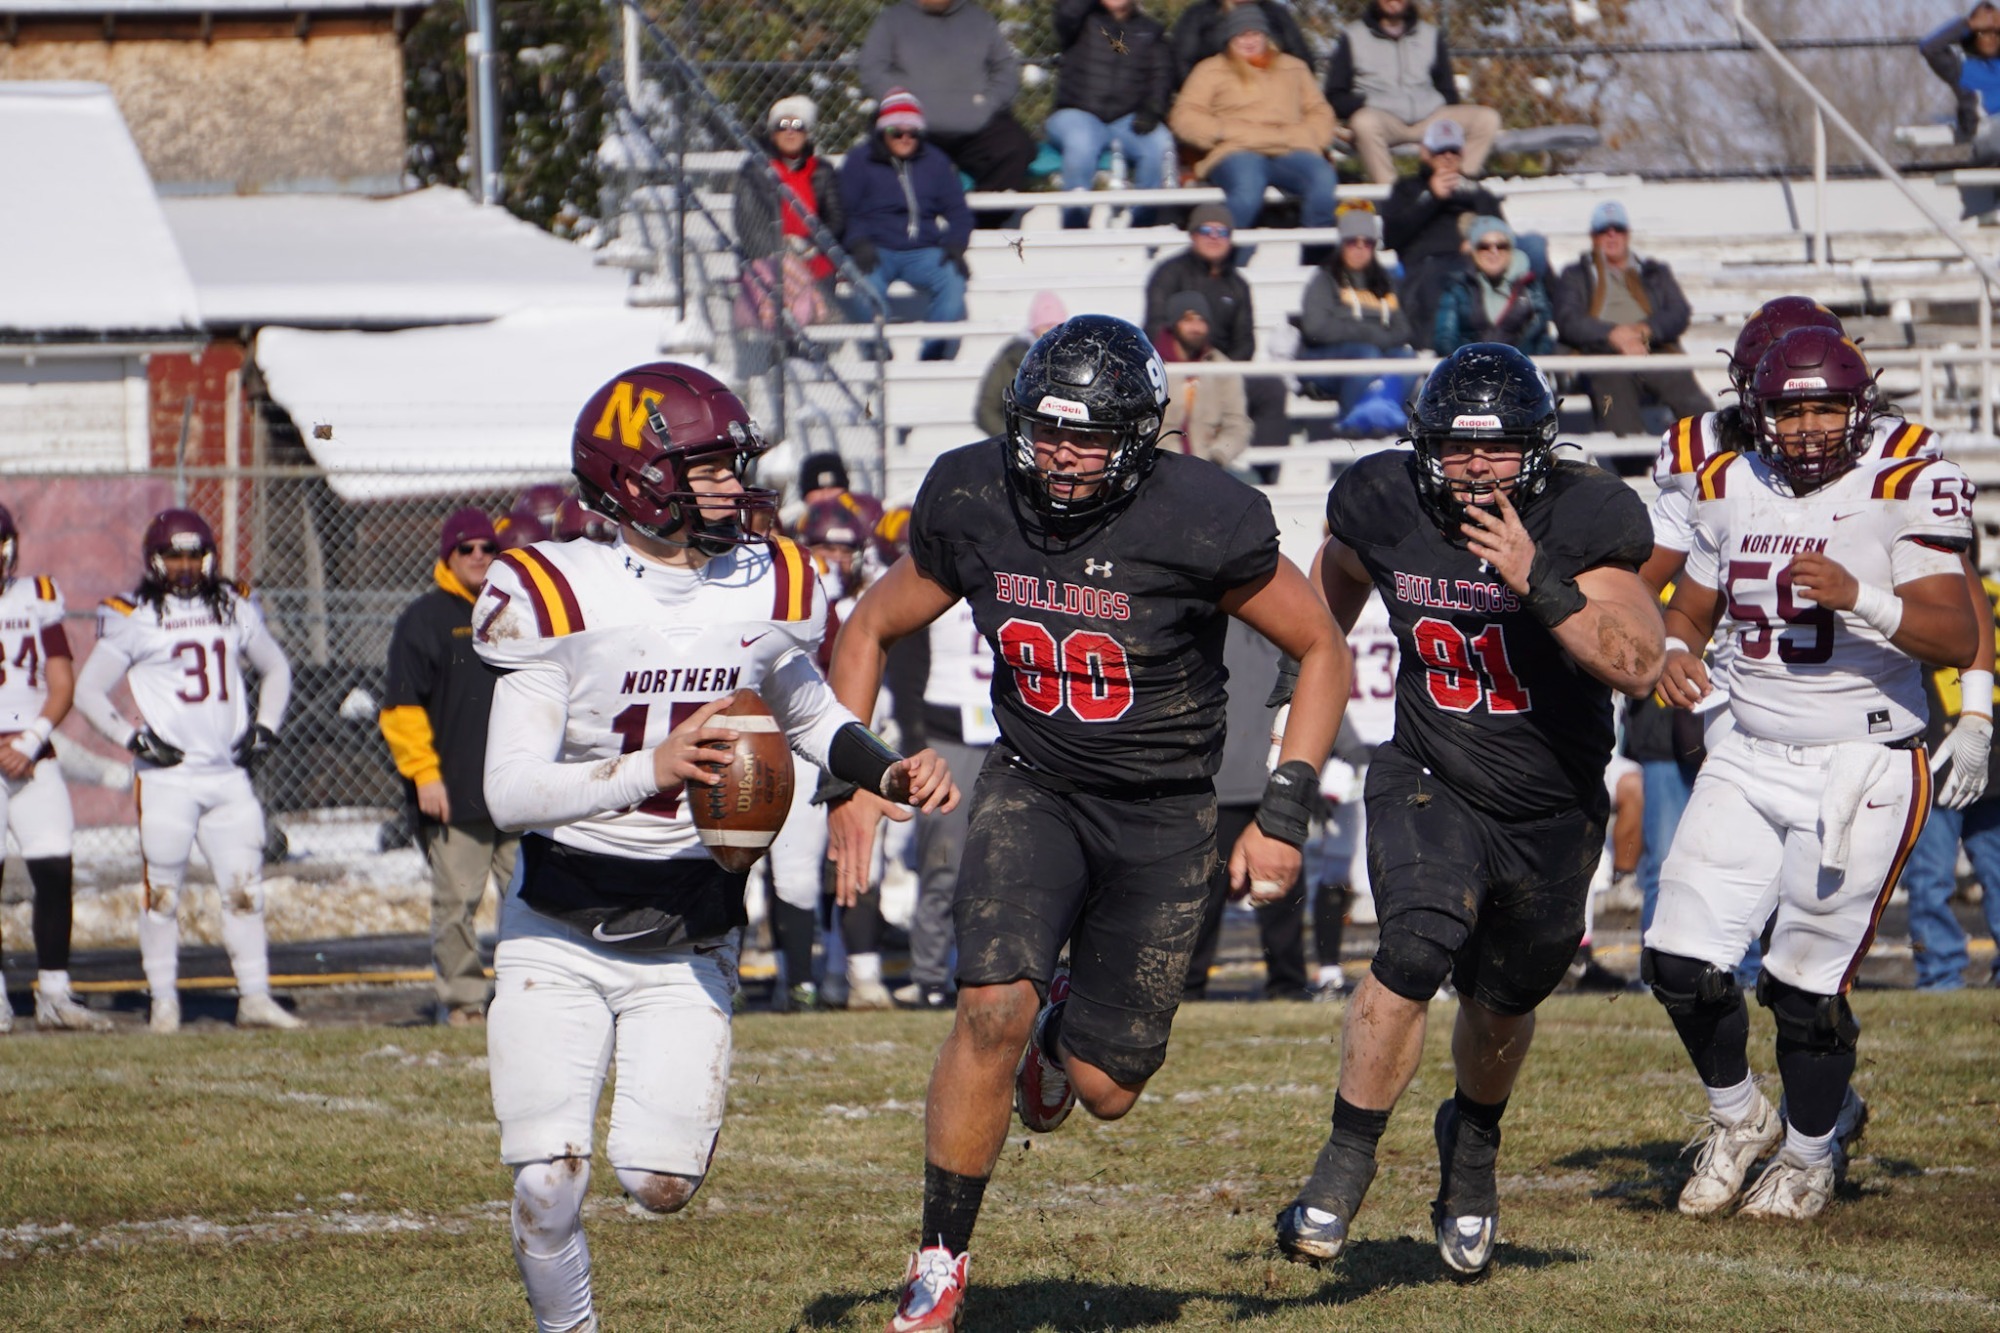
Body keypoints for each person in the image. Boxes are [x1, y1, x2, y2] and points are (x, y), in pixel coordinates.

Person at [825, 314, 1349, 1331]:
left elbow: (1319, 646)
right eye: (1046, 430)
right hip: (1035, 784)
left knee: (1104, 1089)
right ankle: (938, 1260)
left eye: (1089, 435)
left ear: (1140, 437)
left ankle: (1058, 1033)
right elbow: (870, 624)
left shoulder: (1199, 514)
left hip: (1164, 812)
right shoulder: (976, 493)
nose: (1060, 455)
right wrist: (850, 777)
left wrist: (1280, 808)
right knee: (986, 1004)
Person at [472, 361, 957, 1333]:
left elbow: (807, 709)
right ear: (636, 476)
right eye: (707, 467)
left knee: (657, 1184)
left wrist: (880, 768)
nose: (735, 484)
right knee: (546, 1180)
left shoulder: (770, 579)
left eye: (734, 464)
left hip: (692, 919)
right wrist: (654, 766)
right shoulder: (552, 587)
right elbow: (508, 791)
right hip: (557, 920)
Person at [1275, 343, 1662, 1276]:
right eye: (1454, 449)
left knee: (1503, 1000)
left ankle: (1473, 1146)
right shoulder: (1385, 498)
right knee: (1411, 949)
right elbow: (1338, 574)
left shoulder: (1587, 514)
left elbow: (1639, 661)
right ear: (1423, 446)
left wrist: (1538, 578)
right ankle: (1344, 1162)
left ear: (1539, 447)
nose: (1476, 468)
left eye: (1496, 450)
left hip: (1550, 802)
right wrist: (1304, 658)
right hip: (1429, 770)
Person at [1645, 328, 1980, 1221]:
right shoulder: (1724, 480)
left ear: (1858, 407)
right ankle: (1740, 1116)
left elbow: (1958, 631)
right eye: (1789, 409)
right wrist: (1675, 645)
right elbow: (1694, 597)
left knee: (1802, 986)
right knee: (1676, 958)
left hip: (1862, 760)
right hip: (1748, 748)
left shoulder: (1900, 478)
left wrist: (1860, 596)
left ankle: (1810, 1149)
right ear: (1757, 410)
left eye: (1825, 406)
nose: (1807, 428)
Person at [73, 510, 300, 1034]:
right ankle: (164, 1001)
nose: (184, 565)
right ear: (155, 559)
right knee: (162, 894)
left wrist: (265, 726)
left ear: (209, 556)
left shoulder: (232, 604)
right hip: (167, 778)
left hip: (226, 775)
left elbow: (277, 667)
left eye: (194, 554)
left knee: (245, 890)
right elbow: (88, 690)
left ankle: (255, 996)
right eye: (174, 555)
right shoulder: (134, 615)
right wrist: (131, 738)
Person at [379, 508, 519, 1026]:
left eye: (488, 547)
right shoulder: (426, 619)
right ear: (448, 557)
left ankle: (527, 994)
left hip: (518, 788)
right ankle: (464, 1002)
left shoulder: (514, 611)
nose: (480, 556)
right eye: (467, 549)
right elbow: (401, 707)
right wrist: (424, 774)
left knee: (532, 901)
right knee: (457, 905)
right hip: (456, 790)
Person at [0, 506, 105, 1032]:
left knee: (55, 870)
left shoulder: (36, 596)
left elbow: (61, 681)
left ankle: (55, 994)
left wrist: (32, 738)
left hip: (32, 751)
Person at [1183, 617, 1315, 1000]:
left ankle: (1288, 984)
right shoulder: (1204, 626)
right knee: (1205, 898)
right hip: (1219, 782)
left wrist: (1345, 749)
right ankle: (1189, 986)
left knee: (1278, 893)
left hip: (1272, 780)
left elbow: (1313, 690)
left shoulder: (1289, 630)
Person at [1904, 575, 2000, 990]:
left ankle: (1940, 973)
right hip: (1989, 756)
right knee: (1989, 872)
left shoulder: (1928, 599)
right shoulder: (1991, 596)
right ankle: (1940, 972)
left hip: (1941, 755)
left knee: (1931, 878)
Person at [1169, 6, 1339, 233]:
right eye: (1241, 34)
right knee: (1247, 189)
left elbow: (1319, 110)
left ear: (1266, 35)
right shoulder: (1210, 69)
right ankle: (1224, 257)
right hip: (1236, 149)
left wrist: (1310, 136)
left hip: (1289, 147)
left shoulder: (1294, 67)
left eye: (1255, 33)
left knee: (1323, 179)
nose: (1249, 40)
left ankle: (1314, 256)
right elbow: (1185, 114)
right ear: (1230, 37)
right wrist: (1219, 132)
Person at [839, 90, 975, 362]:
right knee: (866, 289)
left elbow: (958, 211)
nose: (905, 138)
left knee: (952, 281)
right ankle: (877, 352)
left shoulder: (934, 161)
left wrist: (956, 243)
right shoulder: (859, 161)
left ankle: (934, 351)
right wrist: (858, 242)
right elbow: (844, 210)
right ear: (882, 131)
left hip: (923, 249)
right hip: (876, 250)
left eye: (912, 132)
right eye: (896, 131)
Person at [1552, 201, 1709, 436]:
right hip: (1601, 355)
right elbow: (1568, 319)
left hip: (1653, 349)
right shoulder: (1575, 275)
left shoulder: (1654, 272)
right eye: (1604, 230)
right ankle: (1632, 466)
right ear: (1593, 237)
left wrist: (1645, 331)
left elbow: (1678, 312)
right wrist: (1612, 335)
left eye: (1618, 229)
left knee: (1688, 394)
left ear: (1628, 234)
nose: (1612, 235)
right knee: (1613, 399)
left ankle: (1716, 451)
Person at [1143, 205, 1288, 446]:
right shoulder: (1169, 274)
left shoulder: (1237, 284)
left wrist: (1215, 368)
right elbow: (1155, 329)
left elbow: (1245, 343)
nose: (1214, 237)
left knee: (1271, 389)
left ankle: (1266, 474)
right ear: (1192, 234)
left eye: (1222, 233)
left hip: (1221, 369)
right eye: (1206, 230)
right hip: (1174, 368)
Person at [857, 0, 1035, 197]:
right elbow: (872, 71)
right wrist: (905, 106)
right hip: (913, 128)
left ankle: (984, 221)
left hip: (975, 127)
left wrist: (985, 106)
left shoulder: (980, 20)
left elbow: (1005, 70)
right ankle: (910, 220)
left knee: (1014, 145)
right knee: (885, 142)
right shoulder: (892, 19)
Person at [1323, 0, 1502, 185]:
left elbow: (1449, 94)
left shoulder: (1430, 35)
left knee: (1487, 119)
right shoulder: (1353, 36)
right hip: (1384, 121)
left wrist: (1428, 104)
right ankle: (1392, 197)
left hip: (1429, 119)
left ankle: (1457, 187)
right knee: (1364, 122)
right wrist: (1370, 103)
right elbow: (1335, 96)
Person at [1048, 0, 1175, 229]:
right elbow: (1065, 15)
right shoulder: (1080, 21)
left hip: (1125, 118)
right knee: (1082, 143)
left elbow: (1161, 76)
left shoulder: (1150, 30)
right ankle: (1074, 224)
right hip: (1077, 112)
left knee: (1159, 144)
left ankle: (1142, 225)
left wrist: (1152, 110)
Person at [734, 94, 847, 347]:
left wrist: (810, 244)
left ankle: (809, 359)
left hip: (813, 257)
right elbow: (747, 224)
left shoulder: (823, 171)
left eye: (797, 126)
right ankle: (785, 361)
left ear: (807, 132)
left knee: (816, 291)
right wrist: (783, 250)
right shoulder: (755, 170)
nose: (790, 132)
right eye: (782, 126)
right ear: (772, 133)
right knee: (786, 301)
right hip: (770, 258)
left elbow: (836, 218)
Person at [1381, 118, 1504, 350]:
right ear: (1425, 153)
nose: (1448, 156)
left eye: (1453, 150)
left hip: (1474, 265)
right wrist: (1432, 197)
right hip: (1427, 270)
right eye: (1440, 150)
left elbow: (1502, 234)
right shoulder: (1408, 189)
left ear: (1463, 153)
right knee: (1449, 275)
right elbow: (1391, 237)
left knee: (1532, 249)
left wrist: (1479, 239)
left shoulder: (1478, 194)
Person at [1294, 203, 1417, 432]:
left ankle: (1389, 423)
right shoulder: (1325, 279)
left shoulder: (1384, 281)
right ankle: (1349, 425)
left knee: (1407, 359)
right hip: (1324, 360)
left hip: (1378, 353)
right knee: (1364, 355)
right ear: (1342, 244)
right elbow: (1316, 328)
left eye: (1367, 243)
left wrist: (1381, 339)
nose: (1360, 249)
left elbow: (1403, 328)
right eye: (1353, 242)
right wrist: (1368, 334)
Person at [1153, 291, 1252, 468]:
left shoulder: (1220, 366)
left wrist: (1219, 456)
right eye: (1188, 320)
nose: (1196, 327)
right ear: (1174, 323)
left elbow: (1237, 423)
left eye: (1202, 320)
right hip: (1160, 465)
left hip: (1207, 464)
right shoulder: (1152, 365)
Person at [1920, 3, 2000, 219]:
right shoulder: (1961, 67)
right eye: (1983, 32)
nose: (1991, 38)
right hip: (1986, 133)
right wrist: (1969, 23)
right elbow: (1929, 48)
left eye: (1996, 33)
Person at [1433, 215, 1554, 355]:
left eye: (1501, 246)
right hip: (1469, 370)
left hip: (1520, 370)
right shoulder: (1458, 287)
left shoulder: (1531, 287)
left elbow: (1543, 337)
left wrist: (1522, 366)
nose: (1493, 252)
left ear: (1511, 250)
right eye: (1484, 246)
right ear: (1473, 252)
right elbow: (1445, 338)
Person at [976, 291, 1068, 438]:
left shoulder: (1075, 360)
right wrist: (1013, 437)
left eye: (1056, 325)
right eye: (1045, 325)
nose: (1051, 331)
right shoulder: (1010, 358)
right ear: (1034, 327)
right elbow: (986, 408)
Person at [1168, 0, 1314, 85]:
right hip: (1217, 99)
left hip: (1273, 98)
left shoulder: (1275, 14)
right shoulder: (1199, 15)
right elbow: (1182, 61)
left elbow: (1302, 60)